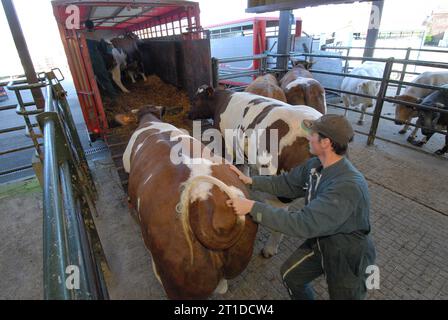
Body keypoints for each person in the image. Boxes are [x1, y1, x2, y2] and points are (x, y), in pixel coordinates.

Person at [227, 114, 376, 300]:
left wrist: (252, 207)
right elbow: (286, 184)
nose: (307, 137)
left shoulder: (347, 186)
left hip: (347, 255)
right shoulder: (315, 166)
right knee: (292, 277)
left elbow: (302, 223)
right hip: (322, 242)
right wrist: (250, 180)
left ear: (326, 143)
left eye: (312, 134)